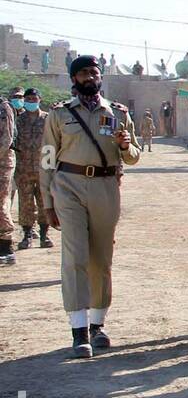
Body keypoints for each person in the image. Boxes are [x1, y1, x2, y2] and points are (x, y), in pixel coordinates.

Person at [38, 55, 141, 355]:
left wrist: (125, 146)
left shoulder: (118, 112)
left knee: (101, 257)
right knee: (75, 257)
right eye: (83, 73)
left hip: (106, 187)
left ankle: (98, 324)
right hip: (68, 187)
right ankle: (78, 330)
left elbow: (133, 157)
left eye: (94, 72)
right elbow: (46, 160)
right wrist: (47, 202)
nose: (90, 76)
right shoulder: (59, 115)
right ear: (73, 79)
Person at [14, 88, 52, 251]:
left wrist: (51, 169)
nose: (30, 101)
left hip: (43, 169)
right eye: (27, 99)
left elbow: (52, 144)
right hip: (24, 169)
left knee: (45, 203)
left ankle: (44, 235)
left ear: (39, 99)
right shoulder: (18, 120)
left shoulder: (48, 119)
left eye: (33, 98)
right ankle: (27, 235)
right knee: (26, 204)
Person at [0, 91, 15, 266]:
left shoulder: (3, 107)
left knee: (1, 202)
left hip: (3, 163)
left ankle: (6, 246)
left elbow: (7, 138)